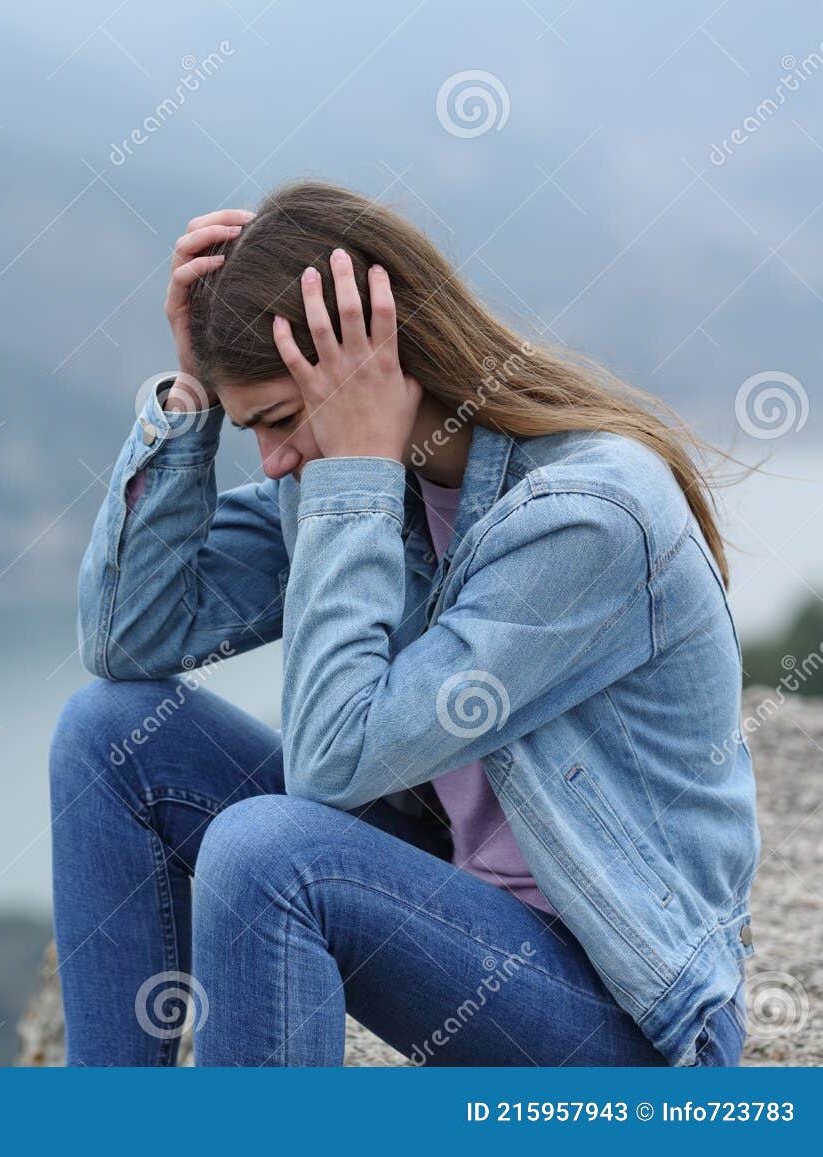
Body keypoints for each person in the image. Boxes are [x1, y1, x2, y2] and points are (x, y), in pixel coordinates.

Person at [49, 180, 757, 1067]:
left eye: (277, 420)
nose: (270, 463)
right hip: (465, 924)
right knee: (106, 733)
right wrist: (191, 398)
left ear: (388, 372)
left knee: (270, 851)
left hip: (624, 1019)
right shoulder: (376, 481)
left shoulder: (585, 516)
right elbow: (129, 639)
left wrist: (354, 476)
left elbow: (329, 767)